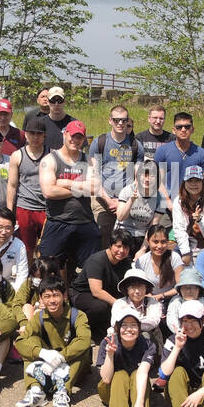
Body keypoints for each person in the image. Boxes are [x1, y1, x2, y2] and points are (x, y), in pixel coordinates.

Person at [14, 277, 92, 407]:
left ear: (65, 296)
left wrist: (60, 357)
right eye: (47, 296)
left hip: (72, 367)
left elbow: (85, 340)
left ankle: (62, 391)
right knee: (30, 342)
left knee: (83, 348)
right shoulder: (39, 318)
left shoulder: (78, 316)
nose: (52, 300)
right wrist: (43, 353)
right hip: (46, 367)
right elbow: (20, 341)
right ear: (41, 299)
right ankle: (36, 390)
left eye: (56, 295)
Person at [37, 119, 100, 280]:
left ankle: (82, 297)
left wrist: (66, 183)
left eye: (79, 137)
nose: (75, 140)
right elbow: (49, 191)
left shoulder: (89, 160)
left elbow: (94, 188)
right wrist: (81, 187)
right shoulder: (50, 160)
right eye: (72, 136)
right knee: (48, 266)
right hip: (58, 221)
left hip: (84, 221)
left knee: (93, 266)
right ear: (65, 134)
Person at [98, 308, 158, 407]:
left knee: (137, 373)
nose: (129, 329)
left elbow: (143, 372)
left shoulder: (148, 345)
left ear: (139, 328)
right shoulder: (108, 342)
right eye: (124, 325)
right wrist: (110, 355)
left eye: (133, 325)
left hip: (137, 392)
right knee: (120, 374)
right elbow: (106, 379)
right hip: (111, 391)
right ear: (117, 328)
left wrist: (139, 403)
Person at [88, 104, 143, 248]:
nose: (120, 123)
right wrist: (108, 200)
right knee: (103, 239)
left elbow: (139, 178)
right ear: (110, 120)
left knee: (125, 241)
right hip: (102, 200)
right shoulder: (99, 143)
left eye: (124, 120)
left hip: (127, 201)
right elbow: (94, 176)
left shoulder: (135, 145)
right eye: (117, 120)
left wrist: (124, 201)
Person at [69, 229, 133, 336]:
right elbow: (96, 291)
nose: (121, 251)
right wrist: (118, 304)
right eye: (118, 246)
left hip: (107, 294)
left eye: (125, 247)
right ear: (111, 245)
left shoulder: (125, 262)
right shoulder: (97, 260)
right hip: (82, 294)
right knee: (100, 307)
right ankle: (79, 329)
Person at [7, 112, 49, 257]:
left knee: (46, 250)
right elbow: (12, 185)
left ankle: (42, 279)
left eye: (39, 134)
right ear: (26, 135)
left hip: (46, 208)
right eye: (32, 133)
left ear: (44, 135)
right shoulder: (17, 155)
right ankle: (26, 278)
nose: (35, 137)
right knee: (26, 250)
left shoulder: (52, 155)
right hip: (24, 208)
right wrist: (9, 212)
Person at [154, 111, 204, 208]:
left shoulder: (201, 153)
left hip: (192, 205)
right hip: (166, 205)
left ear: (192, 129)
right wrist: (168, 202)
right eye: (179, 127)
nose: (183, 130)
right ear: (174, 130)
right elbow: (158, 181)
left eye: (187, 127)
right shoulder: (162, 151)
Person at [112, 159, 165, 252]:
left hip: (142, 237)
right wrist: (131, 200)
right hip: (123, 235)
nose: (147, 179)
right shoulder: (127, 191)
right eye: (144, 174)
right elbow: (120, 217)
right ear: (138, 175)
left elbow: (152, 228)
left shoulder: (160, 198)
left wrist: (142, 249)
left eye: (152, 176)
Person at [173, 166, 204, 259]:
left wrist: (200, 220)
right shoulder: (178, 202)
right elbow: (179, 229)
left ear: (203, 183)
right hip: (184, 246)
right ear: (184, 183)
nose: (193, 184)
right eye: (190, 181)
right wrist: (185, 253)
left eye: (197, 181)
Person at [165, 266, 204, 337]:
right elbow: (172, 322)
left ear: (199, 289)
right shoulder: (175, 303)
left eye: (192, 287)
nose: (188, 291)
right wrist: (186, 334)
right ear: (180, 290)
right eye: (184, 287)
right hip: (183, 339)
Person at [133, 223, 183, 305]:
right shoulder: (141, 261)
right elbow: (140, 286)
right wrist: (150, 297)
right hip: (148, 299)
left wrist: (162, 295)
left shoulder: (174, 258)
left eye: (163, 242)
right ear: (148, 242)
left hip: (172, 299)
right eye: (155, 242)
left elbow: (180, 286)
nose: (159, 246)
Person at [39, 86, 76, 151]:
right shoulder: (39, 124)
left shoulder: (74, 124)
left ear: (65, 102)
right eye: (53, 100)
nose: (56, 104)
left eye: (60, 101)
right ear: (47, 102)